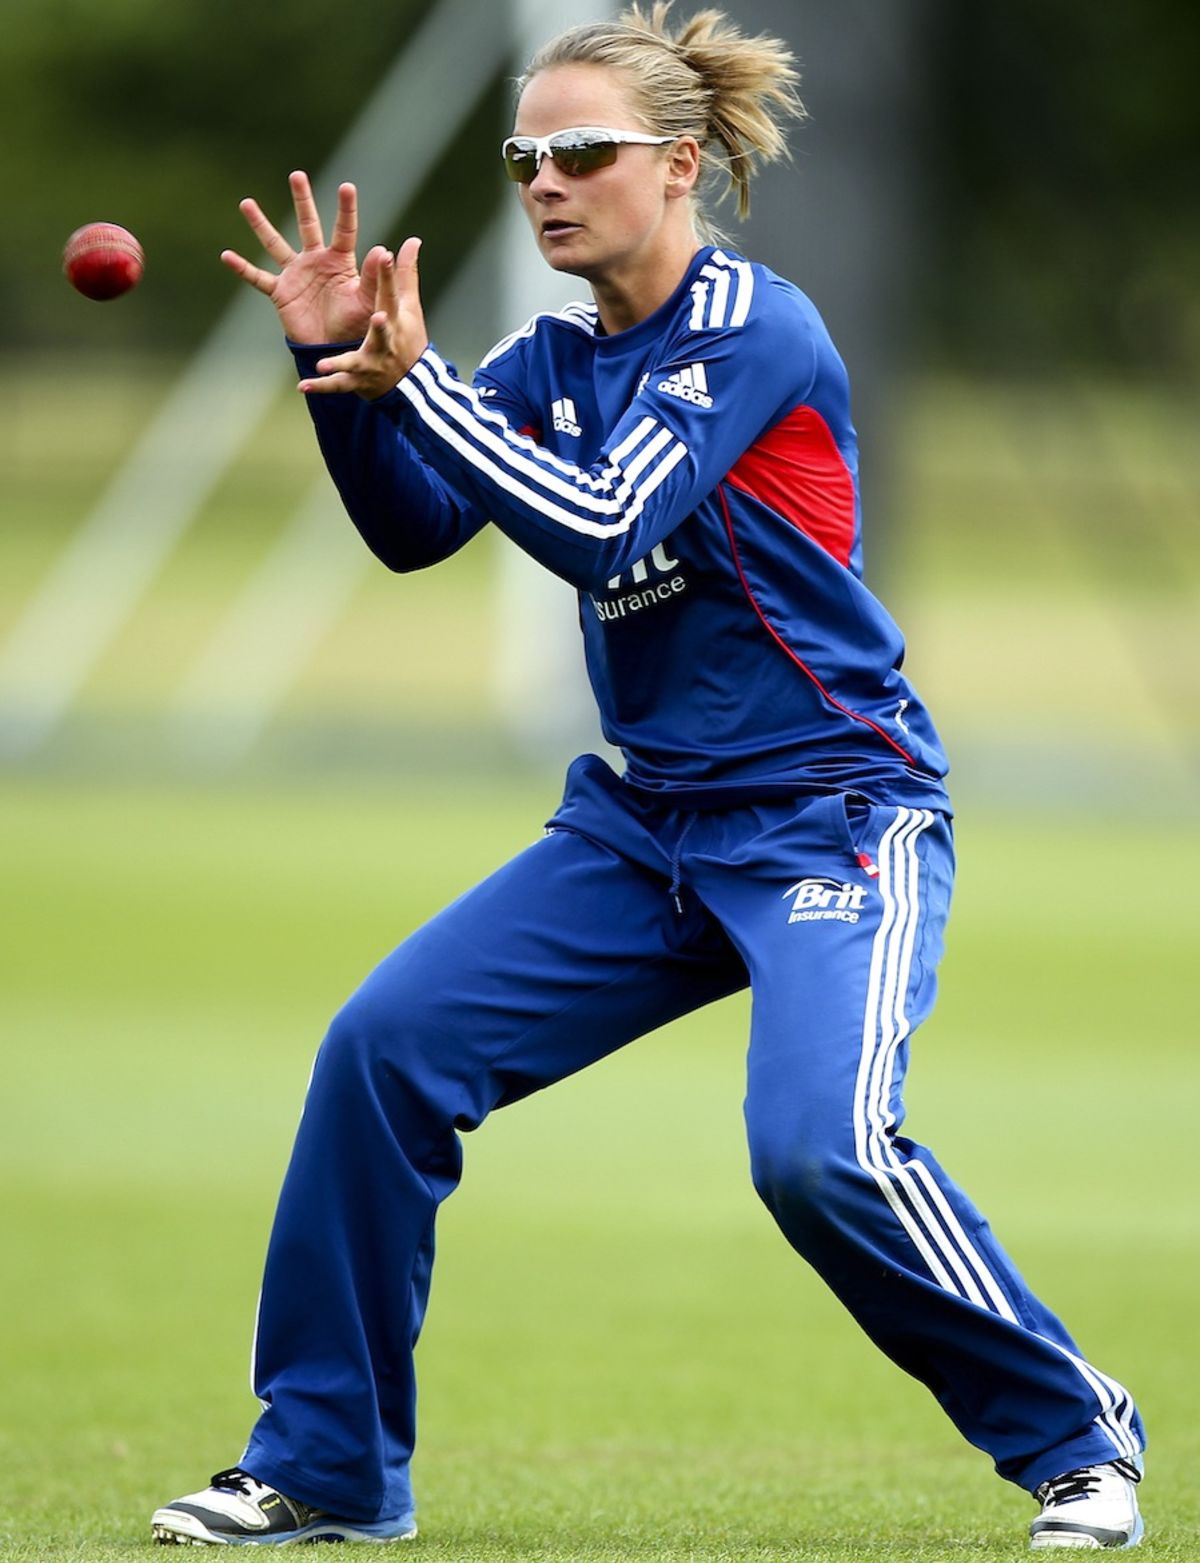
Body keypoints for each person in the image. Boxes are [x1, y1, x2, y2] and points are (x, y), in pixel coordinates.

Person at [151, 4, 1145, 1551]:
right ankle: (328, 1465)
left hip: (833, 808)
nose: (546, 182)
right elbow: (420, 528)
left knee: (819, 1154)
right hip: (647, 827)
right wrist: (343, 366)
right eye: (525, 156)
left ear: (679, 164)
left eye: (583, 152)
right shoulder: (549, 354)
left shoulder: (756, 324)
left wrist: (421, 390)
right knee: (382, 1051)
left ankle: (1080, 1438)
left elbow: (608, 518)